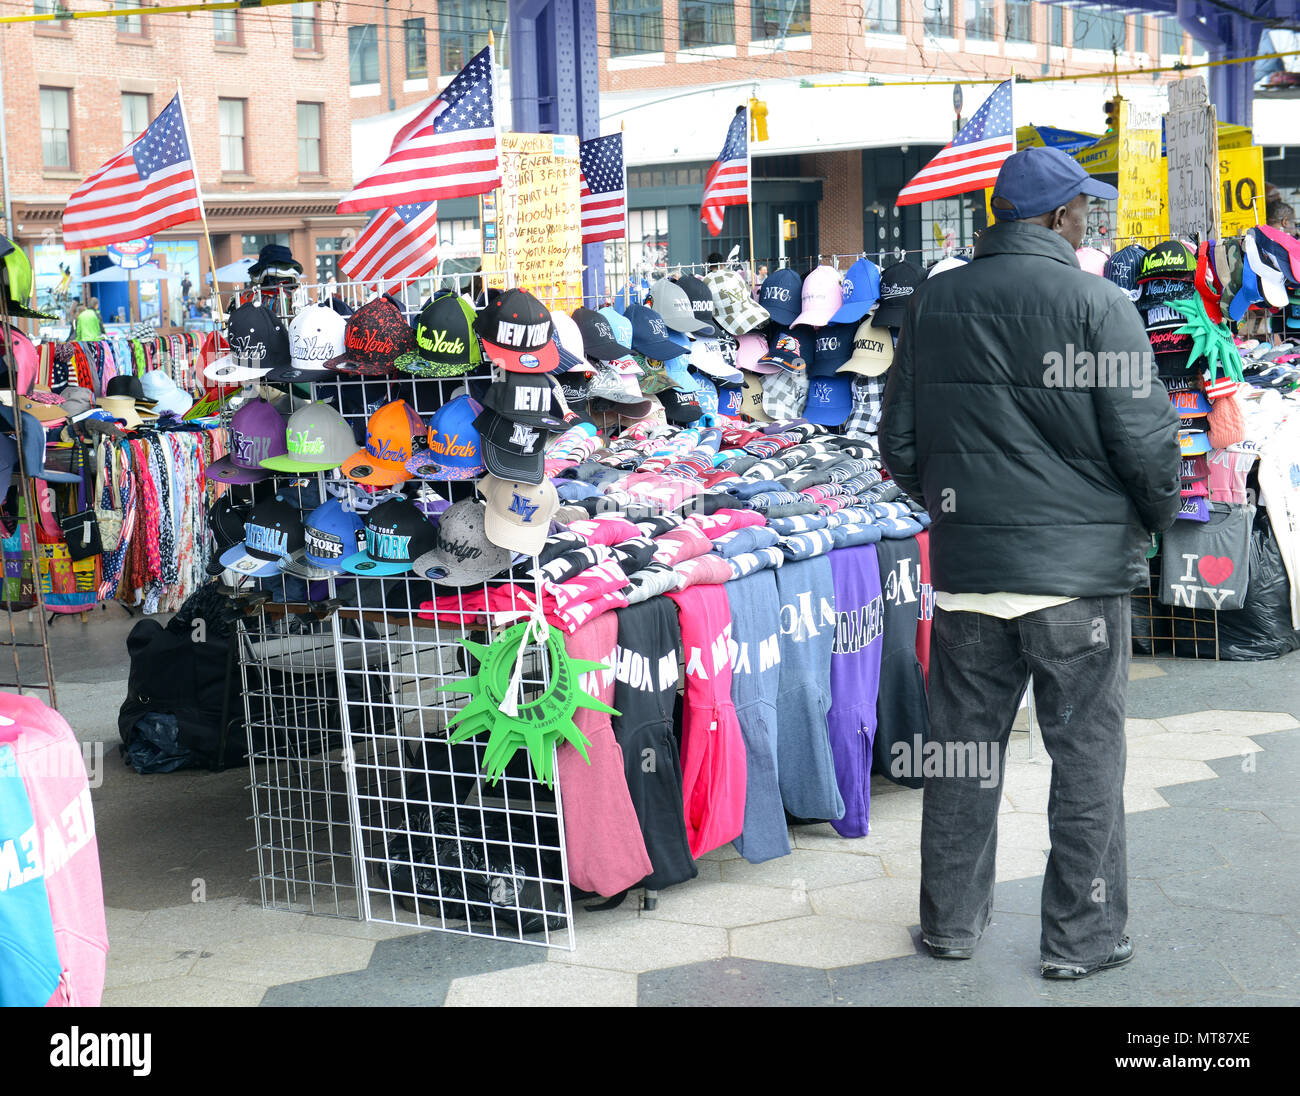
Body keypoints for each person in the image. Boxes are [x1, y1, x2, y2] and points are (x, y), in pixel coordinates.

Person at [879, 146, 1181, 981]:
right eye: (1084, 208)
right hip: (1078, 581)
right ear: (1056, 218)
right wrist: (1148, 523)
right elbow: (1148, 445)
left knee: (961, 753)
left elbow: (898, 445)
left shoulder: (936, 303)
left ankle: (949, 924)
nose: (1090, 219)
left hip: (971, 570)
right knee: (1085, 756)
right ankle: (1081, 940)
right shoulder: (1098, 304)